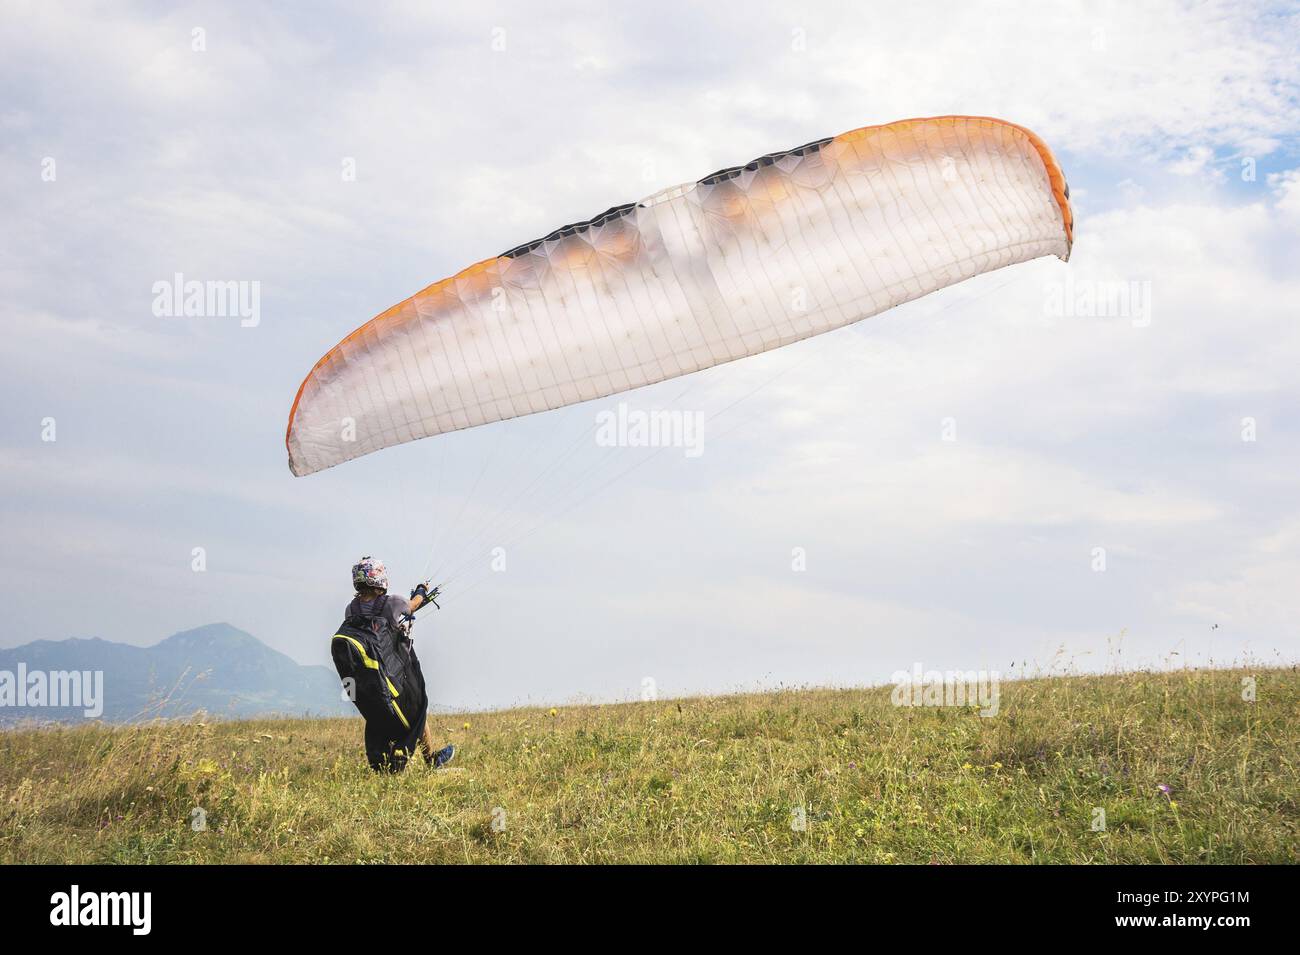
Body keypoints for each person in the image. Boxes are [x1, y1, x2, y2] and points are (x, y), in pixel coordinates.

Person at [333, 556, 454, 772]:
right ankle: (431, 760)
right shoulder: (393, 603)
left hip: (372, 683)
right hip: (395, 675)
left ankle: (388, 761)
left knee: (383, 717)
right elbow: (414, 605)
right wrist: (421, 590)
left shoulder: (350, 610)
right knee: (418, 707)